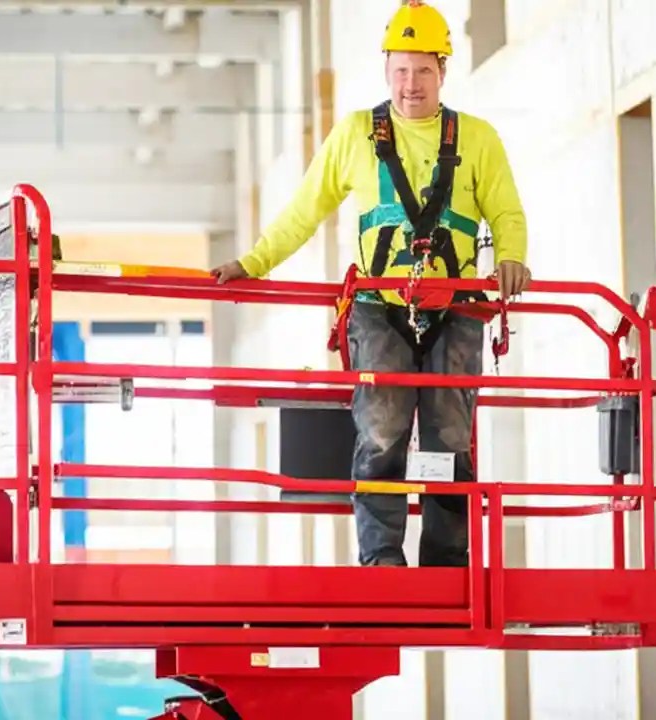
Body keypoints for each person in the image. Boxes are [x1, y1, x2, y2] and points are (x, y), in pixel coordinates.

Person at [211, 0, 531, 567]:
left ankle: (445, 562)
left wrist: (511, 257)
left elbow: (506, 211)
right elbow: (304, 211)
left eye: (423, 71)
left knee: (450, 438)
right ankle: (382, 558)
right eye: (401, 70)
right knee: (382, 433)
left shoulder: (477, 139)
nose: (411, 85)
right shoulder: (356, 134)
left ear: (443, 71)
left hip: (455, 306)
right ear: (386, 69)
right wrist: (254, 261)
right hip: (380, 308)